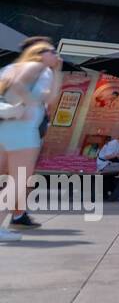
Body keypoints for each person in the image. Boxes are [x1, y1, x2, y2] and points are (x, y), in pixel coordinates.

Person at [0, 37, 62, 237]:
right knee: (17, 181)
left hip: (7, 126)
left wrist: (57, 72)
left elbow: (50, 98)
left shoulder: (15, 66)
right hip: (22, 130)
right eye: (51, 51)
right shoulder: (37, 67)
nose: (55, 54)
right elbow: (20, 87)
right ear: (40, 52)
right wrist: (28, 105)